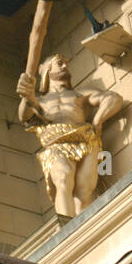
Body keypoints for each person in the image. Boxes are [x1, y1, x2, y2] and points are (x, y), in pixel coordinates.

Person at [16, 53, 122, 217]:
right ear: (45, 70)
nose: (65, 66)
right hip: (56, 143)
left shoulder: (81, 94)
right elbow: (24, 116)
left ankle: (82, 230)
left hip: (86, 141)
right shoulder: (39, 101)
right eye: (60, 63)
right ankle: (66, 224)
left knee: (84, 190)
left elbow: (114, 98)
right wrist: (26, 98)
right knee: (63, 176)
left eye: (66, 63)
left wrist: (97, 121)